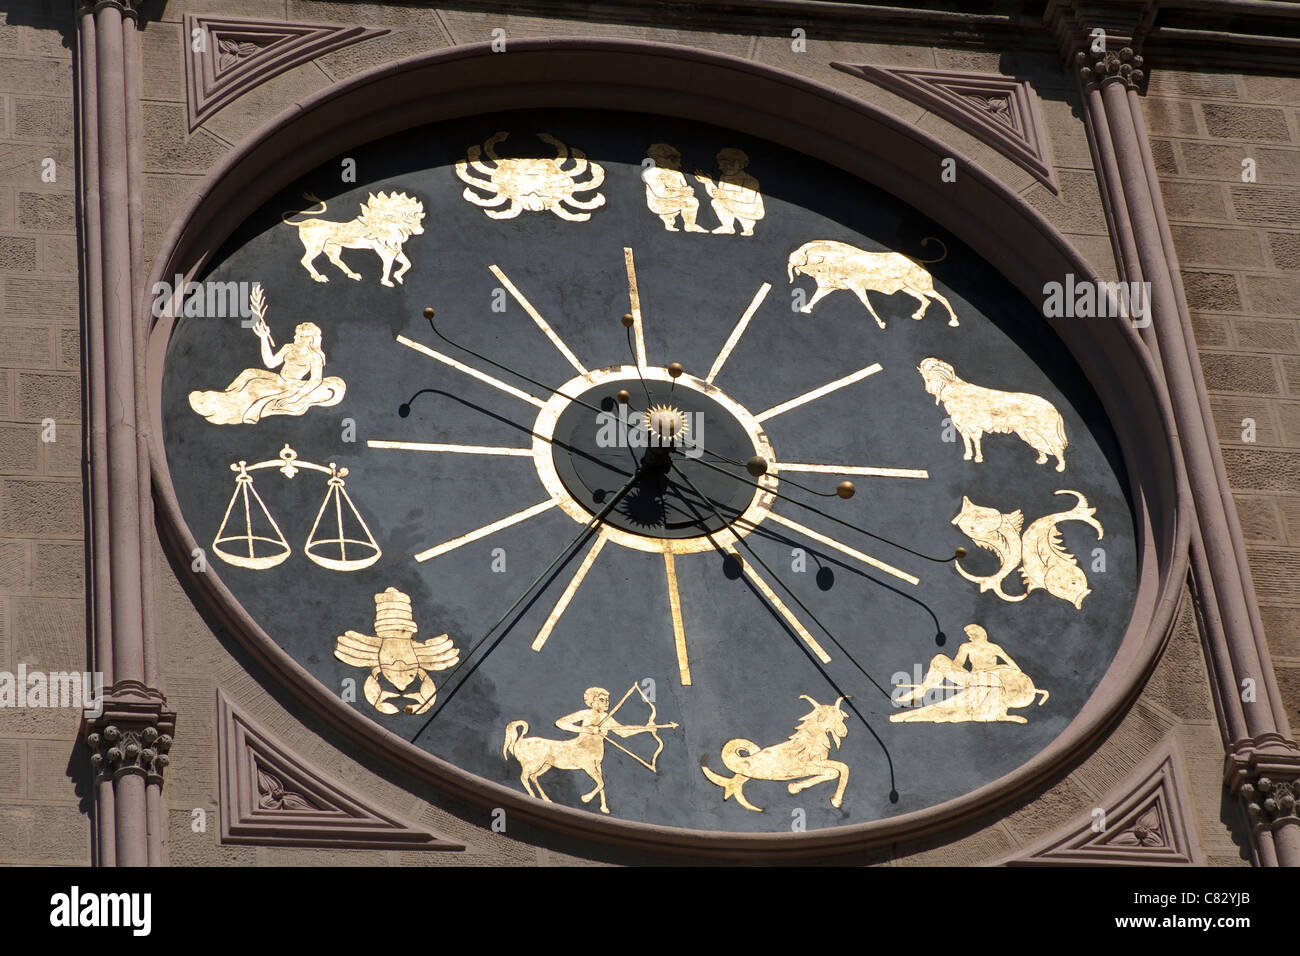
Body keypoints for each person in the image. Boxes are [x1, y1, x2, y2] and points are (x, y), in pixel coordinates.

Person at [189, 320, 345, 425]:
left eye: (302, 336)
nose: (296, 337)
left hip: (291, 386)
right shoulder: (288, 347)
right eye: (297, 334)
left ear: (310, 339)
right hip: (279, 379)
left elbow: (315, 381)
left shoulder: (314, 356)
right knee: (250, 373)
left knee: (256, 389)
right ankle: (225, 398)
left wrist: (296, 396)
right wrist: (264, 338)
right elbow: (270, 363)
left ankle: (233, 411)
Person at [695, 147, 765, 235]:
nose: (725, 167)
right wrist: (708, 183)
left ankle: (748, 227)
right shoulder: (724, 178)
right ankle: (728, 227)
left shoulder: (750, 180)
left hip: (751, 209)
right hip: (733, 205)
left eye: (729, 164)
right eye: (723, 164)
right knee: (717, 201)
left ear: (741, 165)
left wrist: (726, 194)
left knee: (728, 202)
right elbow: (717, 195)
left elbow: (748, 197)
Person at [643, 143, 707, 232]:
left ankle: (690, 225)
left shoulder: (678, 174)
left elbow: (685, 189)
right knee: (689, 200)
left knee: (692, 201)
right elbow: (660, 192)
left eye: (675, 159)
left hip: (676, 200)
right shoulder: (652, 173)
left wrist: (687, 191)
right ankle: (668, 221)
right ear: (658, 160)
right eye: (671, 159)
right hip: (658, 203)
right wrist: (682, 192)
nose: (676, 163)